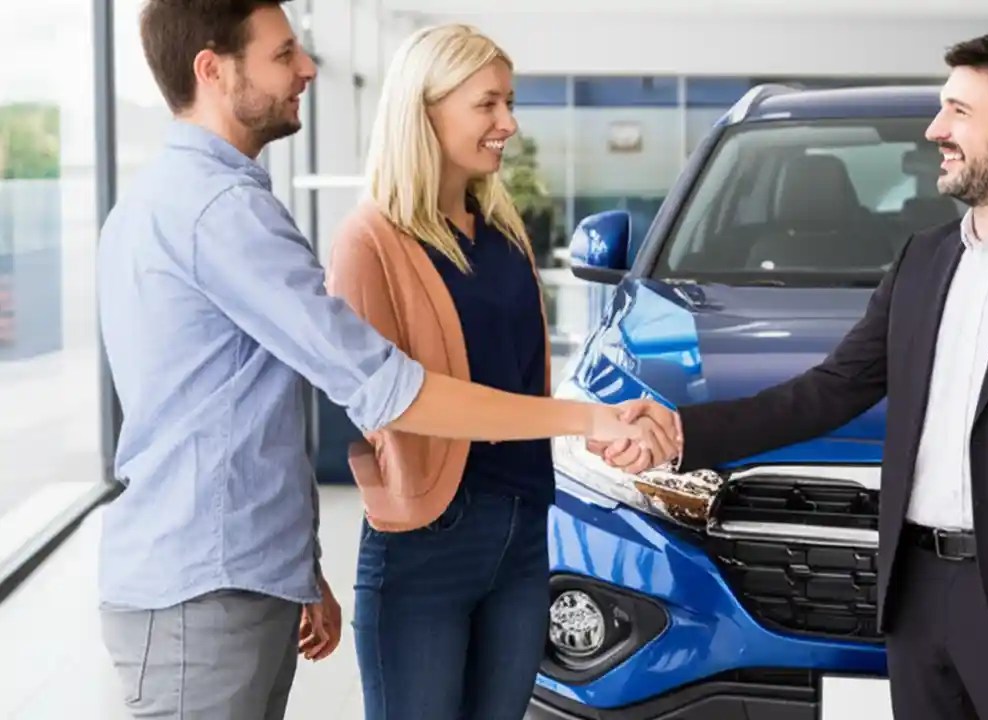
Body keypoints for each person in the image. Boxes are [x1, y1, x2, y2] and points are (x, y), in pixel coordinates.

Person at [95, 3, 673, 719]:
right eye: (284, 55)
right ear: (212, 69)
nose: (307, 69)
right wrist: (590, 418)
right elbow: (390, 393)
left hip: (233, 574)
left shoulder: (173, 201)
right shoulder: (220, 213)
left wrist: (296, 570)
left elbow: (227, 412)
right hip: (204, 584)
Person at [599, 27, 988, 720]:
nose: (936, 129)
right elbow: (830, 390)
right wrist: (679, 430)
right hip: (918, 597)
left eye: (959, 111)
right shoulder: (924, 259)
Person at [320, 24, 668, 720]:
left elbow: (518, 384)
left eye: (509, 102)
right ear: (426, 108)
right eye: (488, 104)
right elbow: (397, 403)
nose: (508, 123)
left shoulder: (502, 232)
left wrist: (602, 431)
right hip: (426, 547)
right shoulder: (371, 242)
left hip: (520, 535)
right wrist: (586, 420)